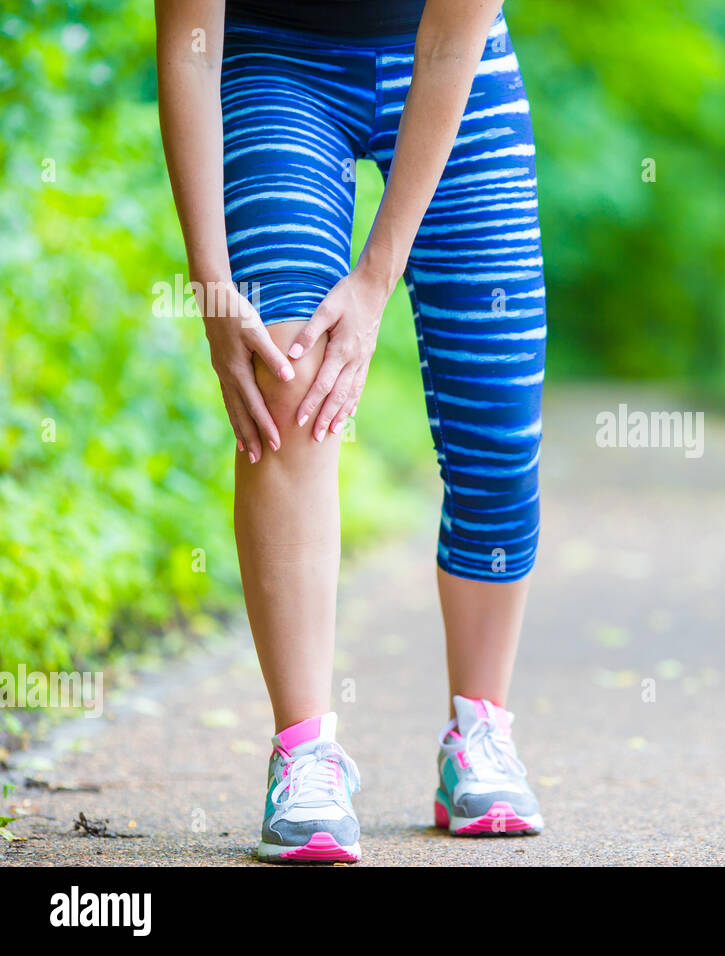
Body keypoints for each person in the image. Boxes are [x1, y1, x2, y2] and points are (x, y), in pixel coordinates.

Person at [155, 0, 547, 862]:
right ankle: (305, 754)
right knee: (288, 384)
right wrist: (212, 283)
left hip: (455, 61)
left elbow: (452, 34)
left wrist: (377, 276)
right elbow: (188, 49)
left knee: (500, 418)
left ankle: (478, 735)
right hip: (275, 62)